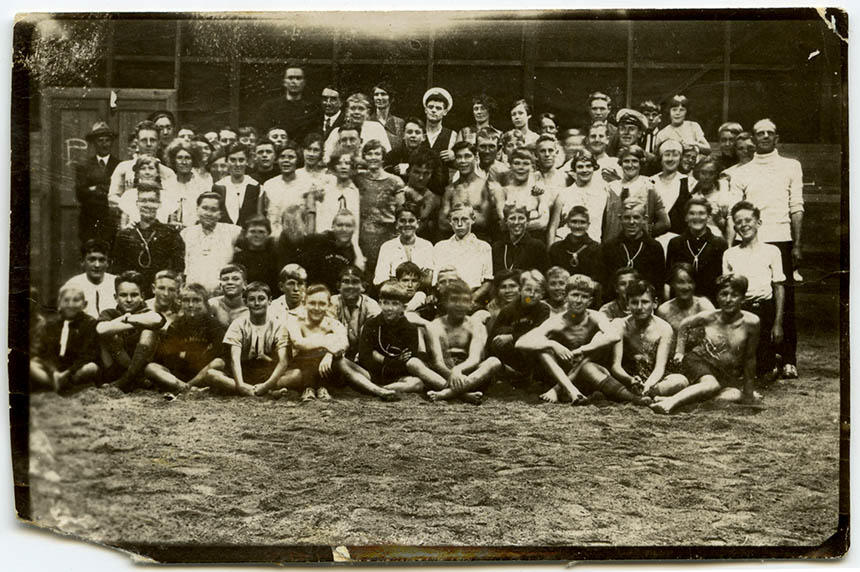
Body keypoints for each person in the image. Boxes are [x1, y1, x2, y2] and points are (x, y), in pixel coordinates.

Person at [729, 119, 802, 378]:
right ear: (754, 138)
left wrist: (796, 244)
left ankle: (788, 357)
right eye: (760, 133)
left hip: (781, 239)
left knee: (785, 300)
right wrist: (732, 246)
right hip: (749, 240)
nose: (765, 136)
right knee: (751, 297)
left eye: (770, 132)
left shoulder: (792, 166)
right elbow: (733, 214)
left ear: (777, 138)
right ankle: (758, 356)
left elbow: (796, 206)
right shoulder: (741, 172)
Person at [516, 274, 649, 405]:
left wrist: (584, 349)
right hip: (562, 373)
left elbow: (613, 336)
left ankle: (559, 390)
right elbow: (520, 343)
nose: (579, 300)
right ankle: (571, 390)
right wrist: (552, 344)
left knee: (597, 343)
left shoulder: (596, 317)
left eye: (584, 297)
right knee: (543, 348)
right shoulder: (556, 321)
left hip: (591, 370)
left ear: (590, 301)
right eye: (574, 295)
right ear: (566, 297)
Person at [650, 274, 761, 414]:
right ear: (717, 297)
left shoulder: (752, 323)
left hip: (724, 373)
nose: (728, 300)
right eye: (724, 294)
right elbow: (685, 325)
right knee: (711, 385)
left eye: (734, 295)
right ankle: (670, 403)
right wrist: (680, 351)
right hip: (699, 361)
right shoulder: (710, 316)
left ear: (743, 298)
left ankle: (682, 399)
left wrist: (749, 394)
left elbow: (750, 359)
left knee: (735, 395)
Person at [345, 280, 447, 397]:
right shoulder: (371, 325)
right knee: (342, 362)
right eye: (386, 303)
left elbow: (407, 362)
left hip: (397, 377)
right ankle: (376, 388)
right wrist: (392, 360)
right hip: (370, 373)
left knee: (417, 383)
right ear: (380, 303)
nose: (389, 308)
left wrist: (379, 356)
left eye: (395, 304)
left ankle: (379, 389)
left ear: (403, 307)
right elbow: (364, 358)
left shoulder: (409, 328)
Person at [723, 201, 785, 380]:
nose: (744, 225)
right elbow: (727, 289)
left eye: (748, 220)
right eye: (739, 222)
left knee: (764, 374)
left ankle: (772, 359)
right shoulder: (730, 254)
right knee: (736, 373)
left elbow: (779, 287)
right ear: (734, 227)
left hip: (763, 311)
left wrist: (777, 323)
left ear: (758, 223)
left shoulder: (772, 251)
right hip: (739, 311)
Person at [204, 282, 291, 396]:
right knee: (211, 374)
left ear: (269, 301)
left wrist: (266, 385)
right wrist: (240, 384)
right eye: (252, 299)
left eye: (261, 299)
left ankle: (262, 390)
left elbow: (283, 361)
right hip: (242, 372)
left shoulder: (279, 326)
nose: (256, 303)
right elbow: (234, 359)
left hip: (268, 373)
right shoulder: (238, 324)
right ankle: (265, 393)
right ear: (245, 302)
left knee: (297, 375)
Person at [425, 279, 501, 403]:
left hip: (468, 373)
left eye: (464, 301)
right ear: (445, 302)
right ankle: (465, 394)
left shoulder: (475, 324)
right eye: (454, 300)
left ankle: (447, 393)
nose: (459, 305)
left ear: (471, 303)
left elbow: (475, 358)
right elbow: (437, 362)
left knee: (494, 362)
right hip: (443, 373)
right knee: (418, 365)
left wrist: (458, 370)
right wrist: (451, 373)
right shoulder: (435, 325)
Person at [610, 280, 688, 397]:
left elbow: (659, 367)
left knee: (680, 380)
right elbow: (616, 365)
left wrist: (647, 385)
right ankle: (633, 395)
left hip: (654, 378)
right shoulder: (620, 325)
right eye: (634, 302)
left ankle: (647, 394)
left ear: (655, 303)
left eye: (645, 302)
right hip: (628, 377)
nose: (640, 307)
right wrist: (629, 379)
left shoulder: (664, 328)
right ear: (627, 304)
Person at [146, 283, 226, 393]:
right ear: (181, 303)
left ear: (206, 303)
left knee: (218, 363)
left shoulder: (215, 326)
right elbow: (169, 358)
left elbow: (220, 357)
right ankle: (189, 388)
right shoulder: (176, 325)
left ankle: (187, 387)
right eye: (186, 300)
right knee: (151, 367)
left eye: (197, 300)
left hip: (203, 375)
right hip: (179, 376)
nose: (191, 305)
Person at [275, 284, 349, 401]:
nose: (317, 308)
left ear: (329, 305)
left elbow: (344, 343)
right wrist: (325, 343)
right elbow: (298, 342)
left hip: (326, 368)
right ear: (304, 304)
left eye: (322, 304)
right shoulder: (295, 321)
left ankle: (321, 388)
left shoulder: (333, 323)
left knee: (335, 355)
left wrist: (329, 354)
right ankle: (310, 388)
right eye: (312, 303)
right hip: (302, 366)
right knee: (309, 357)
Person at [96, 271, 167, 392]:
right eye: (123, 295)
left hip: (142, 369)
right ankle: (133, 379)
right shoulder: (110, 313)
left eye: (134, 295)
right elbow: (101, 329)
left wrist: (127, 319)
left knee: (149, 331)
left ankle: (126, 380)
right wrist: (133, 323)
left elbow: (158, 320)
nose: (129, 300)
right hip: (116, 371)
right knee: (110, 335)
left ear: (142, 296)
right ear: (115, 297)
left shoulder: (146, 312)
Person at [110, 183, 185, 295]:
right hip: (133, 294)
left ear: (159, 204)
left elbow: (178, 268)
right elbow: (117, 270)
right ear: (137, 204)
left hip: (161, 294)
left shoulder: (170, 233)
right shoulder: (125, 235)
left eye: (152, 201)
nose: (148, 205)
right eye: (143, 201)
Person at [30, 285, 100, 392]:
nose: (70, 305)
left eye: (76, 300)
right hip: (55, 369)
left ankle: (65, 383)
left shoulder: (90, 323)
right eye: (66, 300)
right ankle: (55, 383)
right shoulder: (51, 325)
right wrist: (54, 372)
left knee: (91, 367)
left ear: (84, 304)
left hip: (76, 368)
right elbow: (46, 352)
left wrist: (68, 372)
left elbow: (88, 354)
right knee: (32, 363)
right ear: (59, 303)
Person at [488, 270, 551, 377]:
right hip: (513, 354)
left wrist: (512, 336)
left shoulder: (543, 309)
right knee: (502, 332)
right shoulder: (508, 310)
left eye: (537, 291)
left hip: (533, 351)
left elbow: (538, 332)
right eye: (528, 290)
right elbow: (491, 338)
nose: (532, 295)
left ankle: (533, 375)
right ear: (520, 290)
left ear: (542, 294)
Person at [355, 140, 405, 273]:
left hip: (386, 237)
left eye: (377, 154)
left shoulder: (395, 181)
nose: (373, 157)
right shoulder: (358, 179)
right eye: (369, 154)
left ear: (383, 157)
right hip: (362, 238)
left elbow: (401, 213)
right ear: (364, 157)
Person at [666, 197, 728, 302]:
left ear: (708, 217)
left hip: (710, 302)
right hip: (680, 301)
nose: (697, 217)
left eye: (701, 213)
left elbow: (721, 279)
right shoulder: (675, 243)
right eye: (692, 213)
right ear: (686, 217)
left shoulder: (719, 244)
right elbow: (668, 278)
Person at [603, 145, 670, 241]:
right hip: (613, 244)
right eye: (626, 161)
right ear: (621, 163)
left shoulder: (649, 187)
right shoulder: (610, 188)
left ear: (641, 163)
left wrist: (646, 233)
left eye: (634, 161)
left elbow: (665, 223)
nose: (630, 165)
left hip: (639, 245)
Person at [180, 192, 243, 294]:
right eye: (204, 208)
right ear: (197, 209)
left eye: (214, 210)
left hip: (221, 295)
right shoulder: (186, 233)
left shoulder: (232, 232)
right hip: (191, 295)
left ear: (220, 214)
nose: (208, 213)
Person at [601, 199, 666, 298]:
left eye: (636, 217)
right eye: (627, 217)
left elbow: (658, 284)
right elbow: (605, 282)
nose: (631, 222)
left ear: (644, 219)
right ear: (620, 218)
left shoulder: (654, 247)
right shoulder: (609, 246)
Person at [433, 203, 493, 304]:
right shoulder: (440, 247)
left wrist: (472, 298)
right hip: (446, 299)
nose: (460, 224)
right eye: (455, 220)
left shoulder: (483, 247)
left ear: (473, 219)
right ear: (450, 222)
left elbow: (487, 282)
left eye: (464, 219)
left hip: (473, 299)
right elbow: (436, 281)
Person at [108, 120, 176, 207]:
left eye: (152, 140)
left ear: (159, 143)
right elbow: (112, 198)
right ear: (137, 143)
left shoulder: (167, 173)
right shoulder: (123, 168)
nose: (148, 144)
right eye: (144, 140)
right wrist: (131, 201)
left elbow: (173, 200)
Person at [548, 149, 608, 244]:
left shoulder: (603, 194)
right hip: (565, 246)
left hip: (592, 249)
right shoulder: (564, 194)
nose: (584, 170)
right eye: (580, 167)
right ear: (574, 170)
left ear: (594, 168)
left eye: (588, 166)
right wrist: (551, 252)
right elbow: (553, 227)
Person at [656, 262, 715, 355]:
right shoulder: (663, 310)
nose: (686, 287)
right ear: (672, 284)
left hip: (701, 357)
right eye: (680, 282)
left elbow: (715, 338)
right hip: (672, 358)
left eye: (690, 282)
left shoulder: (705, 306)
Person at [75, 121, 120, 244]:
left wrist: (94, 188)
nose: (104, 144)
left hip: (111, 221)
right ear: (94, 143)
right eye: (100, 140)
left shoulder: (119, 165)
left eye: (107, 140)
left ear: (111, 142)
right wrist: (106, 188)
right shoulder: (84, 166)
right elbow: (80, 193)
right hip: (89, 220)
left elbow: (120, 193)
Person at [496, 148, 555, 241]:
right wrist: (533, 218)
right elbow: (503, 223)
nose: (521, 167)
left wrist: (514, 224)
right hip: (509, 241)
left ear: (532, 166)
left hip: (534, 241)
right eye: (517, 163)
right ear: (510, 165)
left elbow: (543, 222)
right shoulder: (502, 191)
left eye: (526, 164)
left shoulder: (539, 190)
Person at [299, 209, 364, 292]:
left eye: (348, 226)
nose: (344, 229)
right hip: (314, 295)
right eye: (339, 225)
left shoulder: (355, 254)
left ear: (354, 229)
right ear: (332, 226)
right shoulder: (319, 240)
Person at [261, 140, 313, 241]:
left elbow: (310, 216)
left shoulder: (307, 184)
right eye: (282, 157)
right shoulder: (269, 185)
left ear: (297, 160)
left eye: (291, 157)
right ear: (277, 160)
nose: (286, 160)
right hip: (273, 239)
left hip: (299, 239)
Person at [374, 203, 435, 286]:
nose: (407, 225)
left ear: (418, 223)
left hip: (420, 294)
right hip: (394, 294)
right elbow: (380, 279)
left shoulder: (427, 246)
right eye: (402, 221)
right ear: (396, 224)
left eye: (411, 221)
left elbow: (428, 280)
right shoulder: (387, 247)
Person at [439, 141, 491, 237]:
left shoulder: (484, 186)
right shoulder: (450, 189)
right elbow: (442, 223)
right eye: (459, 157)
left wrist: (456, 218)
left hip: (479, 240)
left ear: (475, 158)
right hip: (455, 241)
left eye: (467, 156)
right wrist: (470, 217)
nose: (463, 161)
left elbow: (484, 221)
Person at [329, 265, 381, 360]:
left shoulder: (371, 305)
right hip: (336, 353)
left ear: (363, 287)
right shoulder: (332, 302)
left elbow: (373, 338)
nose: (350, 286)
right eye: (346, 281)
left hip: (363, 354)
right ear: (338, 286)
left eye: (355, 282)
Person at [256, 64, 318, 143]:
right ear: (284, 82)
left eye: (298, 78)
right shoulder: (270, 107)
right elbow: (262, 133)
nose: (294, 81)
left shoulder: (312, 108)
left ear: (304, 82)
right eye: (290, 78)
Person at [324, 93, 391, 160]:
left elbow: (387, 154)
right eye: (353, 108)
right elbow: (325, 157)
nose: (356, 112)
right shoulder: (337, 132)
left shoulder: (376, 128)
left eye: (361, 109)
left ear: (367, 111)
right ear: (347, 111)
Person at [62, 239, 116, 319]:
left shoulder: (116, 282)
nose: (97, 265)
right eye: (92, 260)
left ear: (108, 263)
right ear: (82, 262)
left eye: (101, 260)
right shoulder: (73, 285)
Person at [548, 206, 603, 284]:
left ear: (588, 225)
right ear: (568, 224)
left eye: (582, 222)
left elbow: (597, 277)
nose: (578, 226)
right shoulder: (556, 248)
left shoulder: (596, 248)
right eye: (574, 222)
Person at [213, 142, 262, 228]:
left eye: (241, 160)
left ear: (247, 161)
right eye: (232, 160)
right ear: (226, 161)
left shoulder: (256, 186)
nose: (237, 164)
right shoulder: (218, 187)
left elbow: (259, 218)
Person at [312, 148, 360, 235]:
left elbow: (356, 225)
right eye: (339, 163)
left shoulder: (356, 192)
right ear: (333, 166)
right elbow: (321, 223)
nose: (343, 167)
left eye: (347, 163)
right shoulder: (325, 190)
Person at [492, 203, 549, 274]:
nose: (516, 222)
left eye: (521, 218)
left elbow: (543, 276)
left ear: (527, 221)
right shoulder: (497, 247)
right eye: (512, 218)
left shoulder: (537, 246)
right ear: (506, 221)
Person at [689, 157, 738, 241]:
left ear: (716, 175)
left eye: (711, 173)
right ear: (697, 174)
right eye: (703, 173)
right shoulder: (692, 194)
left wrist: (718, 219)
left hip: (716, 241)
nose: (707, 177)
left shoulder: (723, 196)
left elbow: (729, 226)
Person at [165, 139, 211, 228]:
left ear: (193, 160)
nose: (184, 162)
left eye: (187, 158)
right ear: (173, 161)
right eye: (179, 158)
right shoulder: (166, 185)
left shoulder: (203, 187)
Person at [653, 139, 692, 238]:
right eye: (667, 155)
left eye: (675, 155)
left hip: (680, 239)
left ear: (680, 158)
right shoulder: (650, 182)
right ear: (660, 158)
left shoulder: (689, 182)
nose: (670, 159)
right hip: (655, 238)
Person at [400, 148, 442, 239]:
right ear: (408, 171)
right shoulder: (397, 188)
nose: (421, 178)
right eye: (417, 172)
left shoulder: (433, 199)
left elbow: (416, 230)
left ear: (432, 174)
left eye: (426, 173)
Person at [232, 215, 281, 294]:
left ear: (268, 234)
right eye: (252, 231)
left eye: (261, 232)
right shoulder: (239, 258)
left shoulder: (275, 256)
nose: (257, 235)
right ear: (246, 234)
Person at [473, 268, 521, 333]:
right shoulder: (491, 310)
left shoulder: (528, 303)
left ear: (520, 288)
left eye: (513, 286)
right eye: (503, 287)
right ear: (497, 290)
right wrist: (494, 317)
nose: (508, 291)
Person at [422, 87, 458, 174]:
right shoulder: (418, 132)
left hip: (440, 185)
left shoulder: (452, 135)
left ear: (445, 112)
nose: (433, 110)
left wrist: (454, 156)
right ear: (425, 110)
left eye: (438, 108)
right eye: (430, 107)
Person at [614, 108, 659, 175]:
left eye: (631, 129)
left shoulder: (650, 160)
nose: (626, 133)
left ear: (639, 133)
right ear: (618, 132)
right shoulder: (613, 155)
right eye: (622, 129)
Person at [208, 263, 250, 328]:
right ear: (220, 285)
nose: (230, 282)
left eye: (235, 279)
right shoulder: (212, 305)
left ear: (245, 284)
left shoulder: (251, 308)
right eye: (225, 279)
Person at [370, 81, 405, 149]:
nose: (379, 98)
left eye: (383, 94)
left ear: (391, 98)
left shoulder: (399, 123)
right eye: (376, 94)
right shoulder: (368, 121)